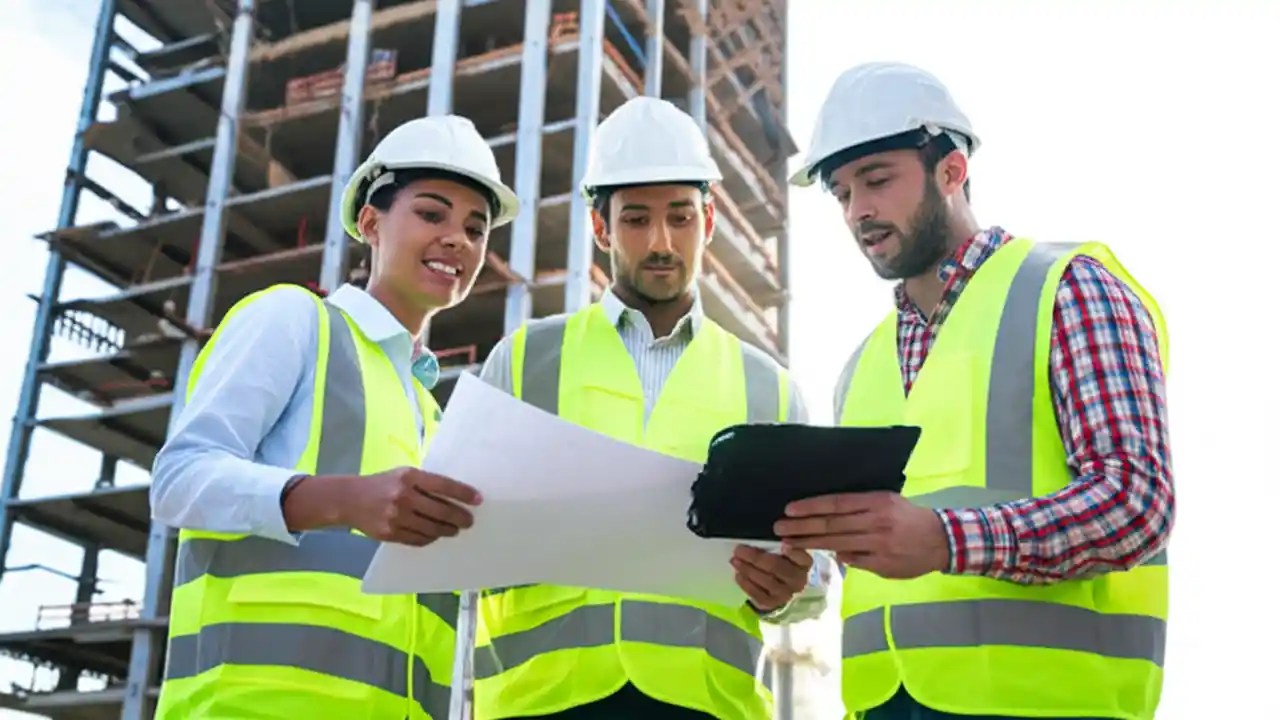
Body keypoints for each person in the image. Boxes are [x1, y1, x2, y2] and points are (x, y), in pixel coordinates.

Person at [776, 61, 1174, 720]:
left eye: (877, 181)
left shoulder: (1069, 290)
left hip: (1046, 707)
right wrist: (795, 576)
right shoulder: (861, 367)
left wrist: (947, 540)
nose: (858, 212)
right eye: (842, 193)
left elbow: (1137, 499)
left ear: (951, 171)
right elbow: (870, 562)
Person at [471, 96, 833, 720]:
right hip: (540, 702)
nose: (661, 242)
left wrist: (790, 588)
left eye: (680, 217)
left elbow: (818, 572)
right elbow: (458, 534)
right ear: (602, 227)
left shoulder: (768, 388)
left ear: (710, 220)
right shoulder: (525, 361)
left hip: (706, 705)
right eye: (636, 219)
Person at [148, 114, 520, 720]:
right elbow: (178, 481)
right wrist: (342, 500)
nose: (459, 239)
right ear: (370, 223)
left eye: (476, 229)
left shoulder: (434, 415)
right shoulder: (296, 322)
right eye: (432, 214)